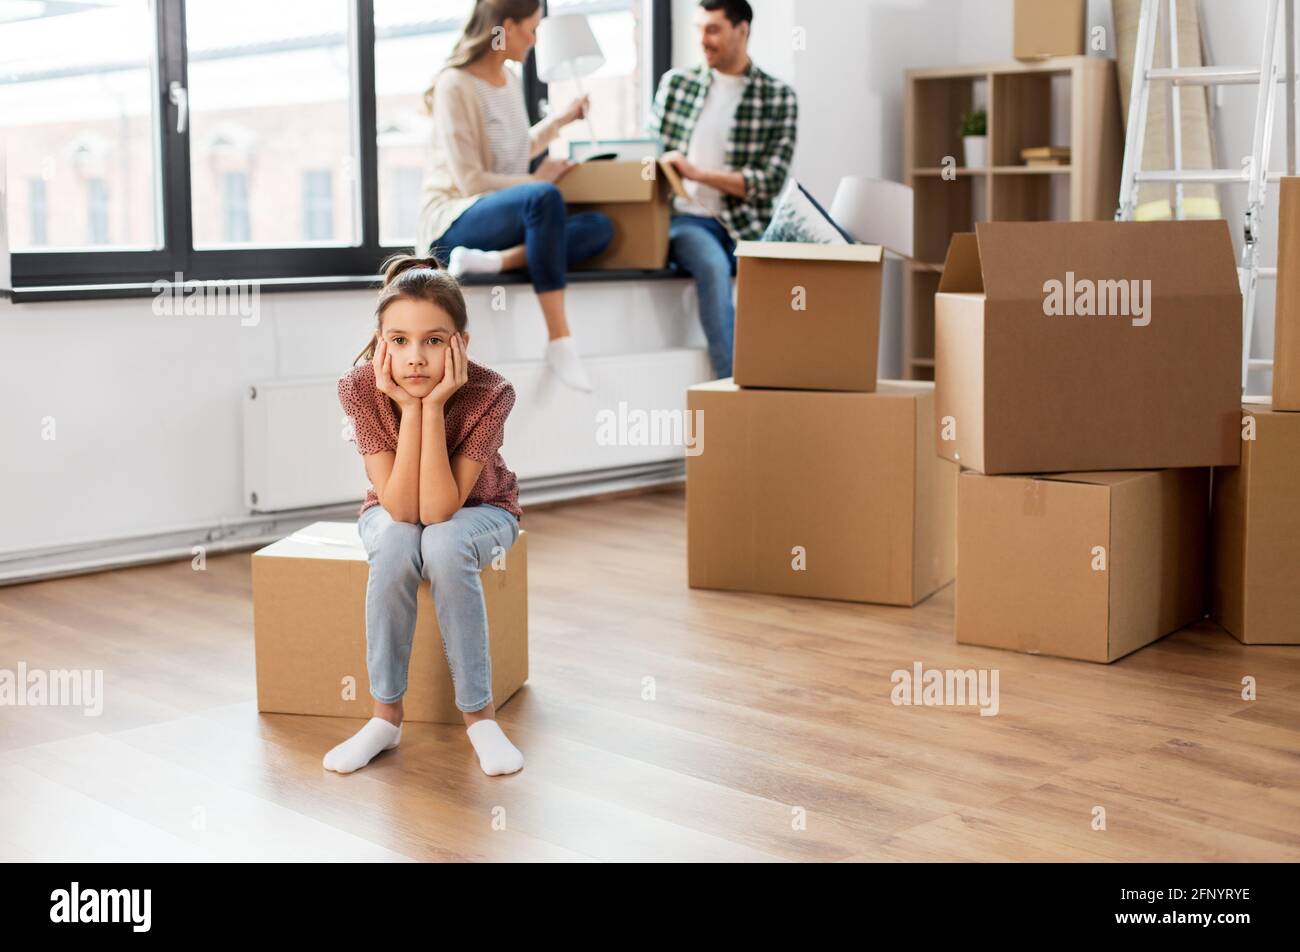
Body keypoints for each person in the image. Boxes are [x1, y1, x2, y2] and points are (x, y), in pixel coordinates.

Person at [327, 254, 525, 777]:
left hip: (483, 510)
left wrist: (430, 406)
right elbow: (400, 508)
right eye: (399, 341)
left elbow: (439, 511)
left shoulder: (491, 392)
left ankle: (479, 718)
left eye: (434, 341)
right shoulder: (359, 388)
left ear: (461, 343)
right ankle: (385, 718)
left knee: (441, 542)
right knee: (396, 542)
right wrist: (407, 405)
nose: (415, 358)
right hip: (390, 509)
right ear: (379, 340)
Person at [418, 0, 613, 392]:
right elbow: (472, 180)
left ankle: (493, 262)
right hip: (455, 218)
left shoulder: (508, 79)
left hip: (500, 220)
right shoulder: (454, 84)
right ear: (505, 27)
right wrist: (536, 180)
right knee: (543, 198)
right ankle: (560, 340)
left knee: (600, 227)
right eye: (531, 29)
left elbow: (515, 152)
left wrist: (561, 121)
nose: (535, 40)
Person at [650, 0, 798, 379]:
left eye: (713, 29)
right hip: (688, 221)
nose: (703, 40)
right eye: (699, 29)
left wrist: (698, 172)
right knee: (713, 268)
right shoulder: (677, 86)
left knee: (795, 277)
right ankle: (733, 387)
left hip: (746, 224)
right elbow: (649, 155)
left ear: (742, 30)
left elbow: (768, 183)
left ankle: (789, 381)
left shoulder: (777, 97)